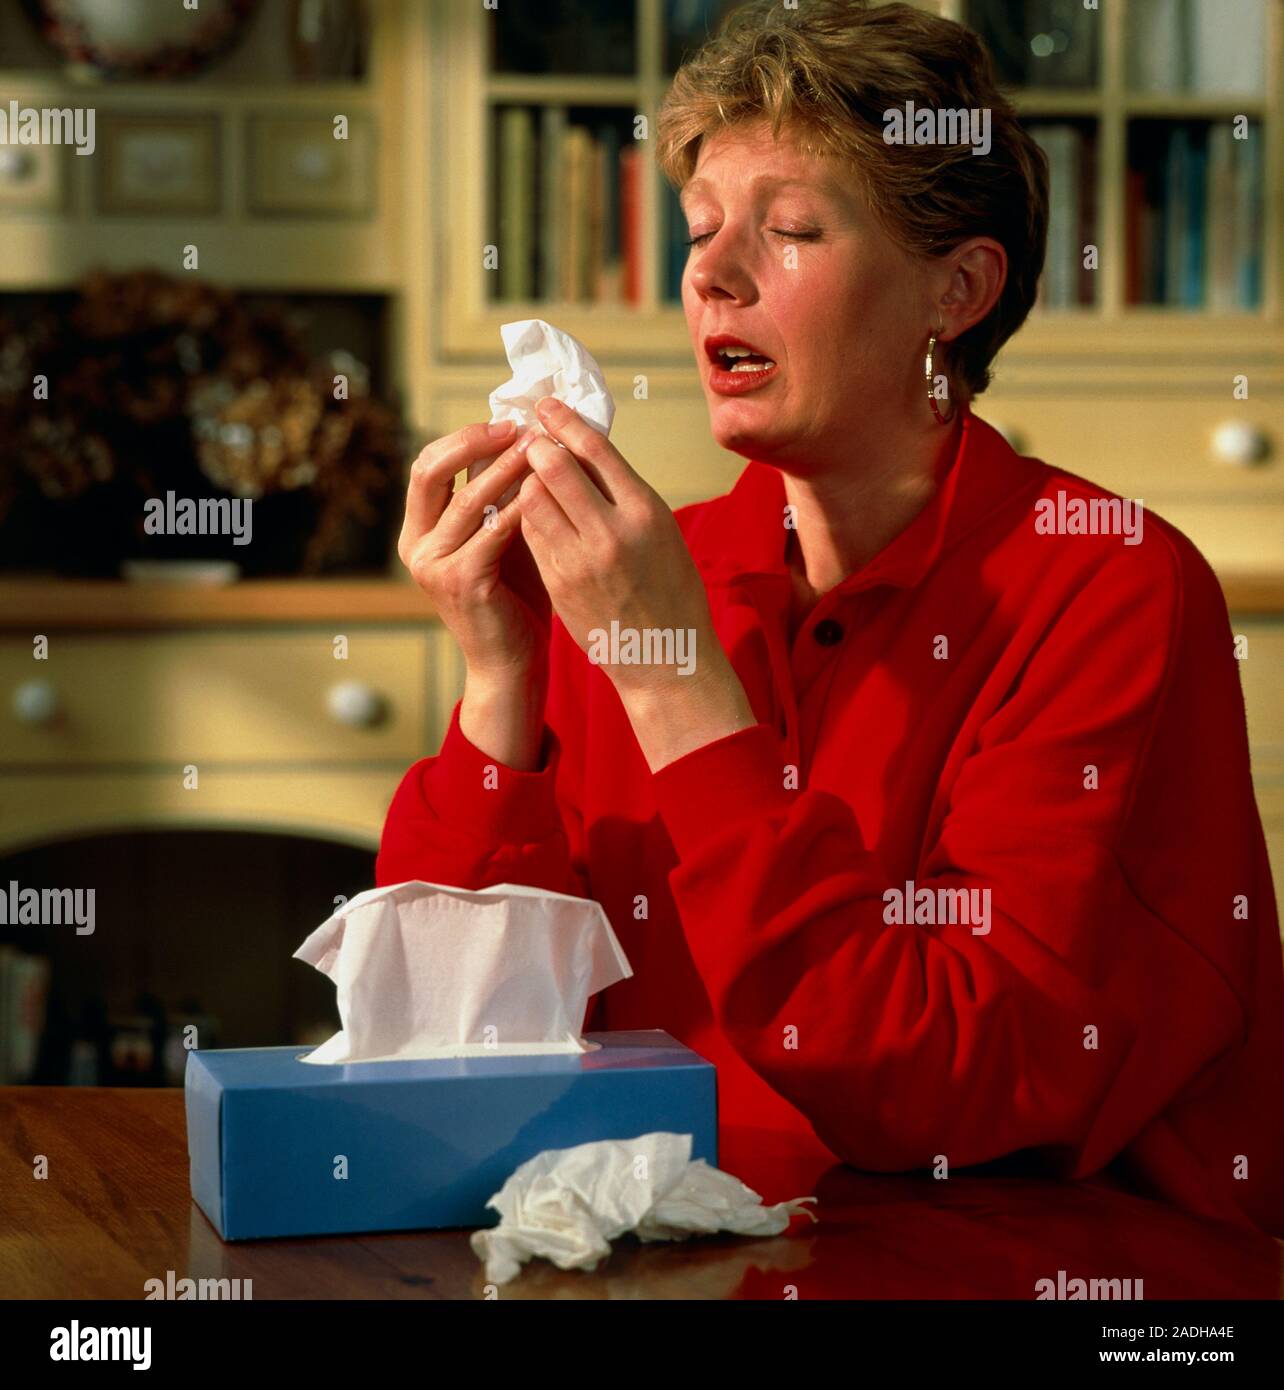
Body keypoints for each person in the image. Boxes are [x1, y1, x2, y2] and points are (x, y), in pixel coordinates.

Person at [380, 0, 1284, 1236]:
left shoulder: (1111, 585)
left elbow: (946, 1088)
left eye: (791, 227)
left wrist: (673, 680)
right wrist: (501, 678)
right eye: (701, 229)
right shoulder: (649, 571)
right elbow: (441, 1057)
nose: (711, 270)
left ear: (957, 291)